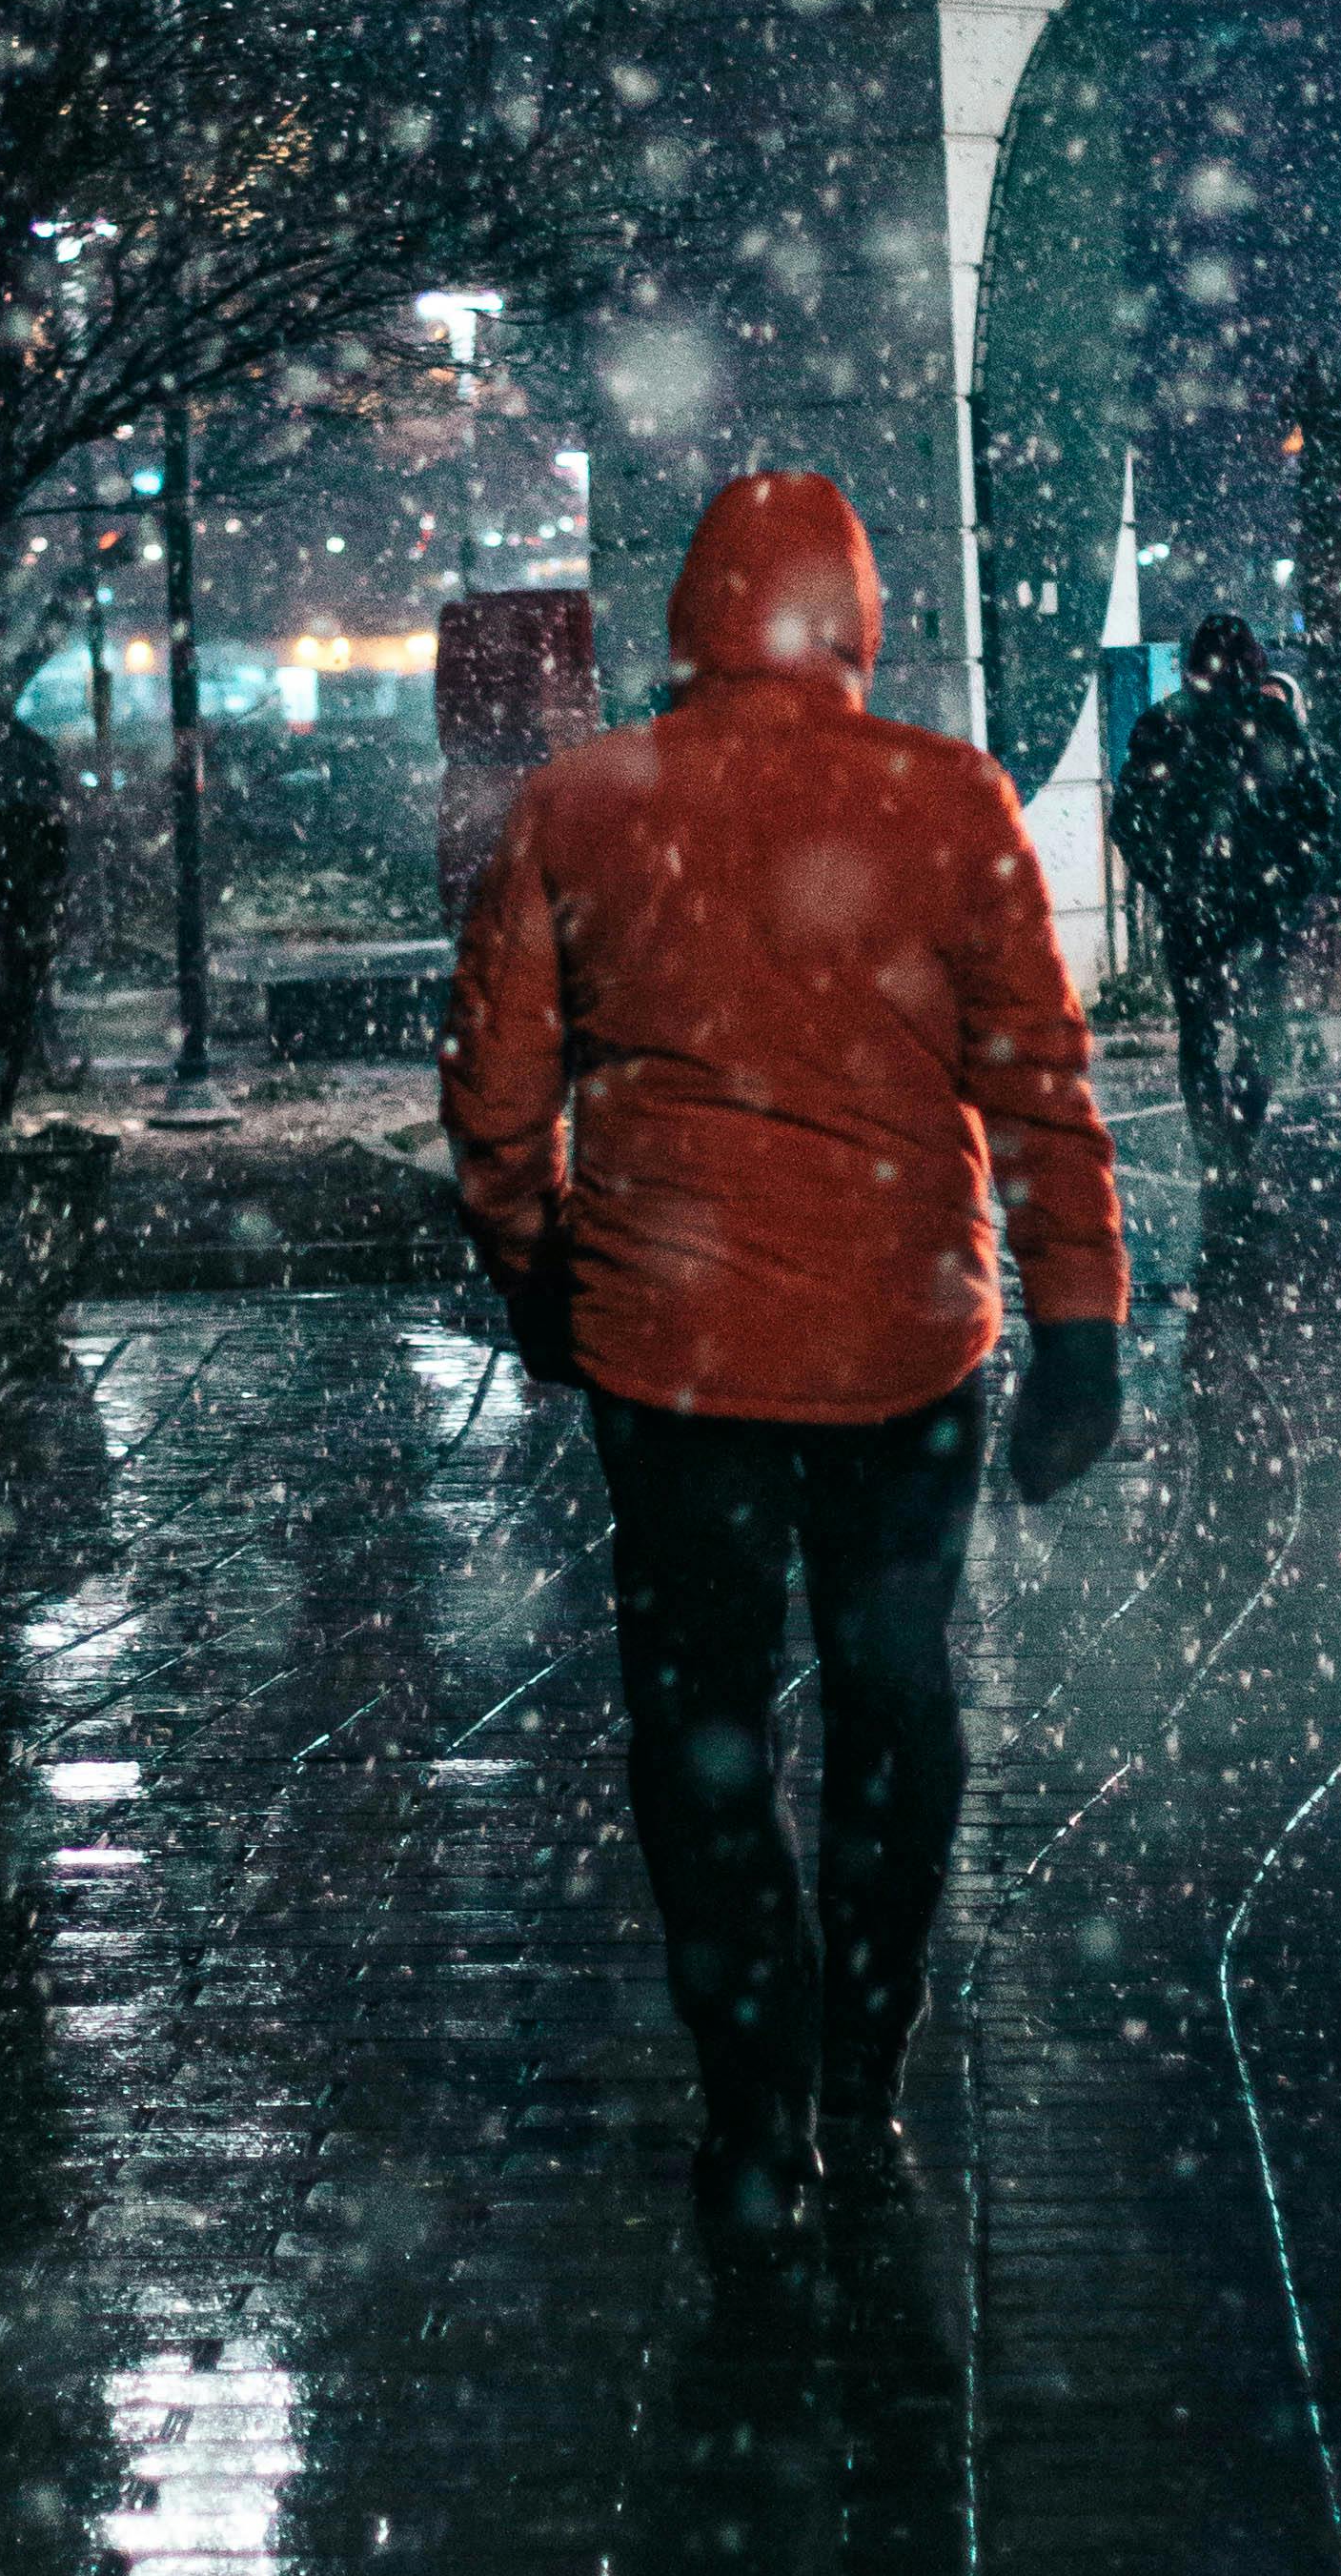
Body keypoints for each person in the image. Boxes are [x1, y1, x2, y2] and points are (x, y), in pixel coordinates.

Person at [440, 470, 1128, 2258]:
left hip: (672, 1355)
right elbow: (1043, 1085)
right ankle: (866, 2057)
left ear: (689, 613)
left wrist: (537, 1270)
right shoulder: (946, 803)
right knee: (897, 1695)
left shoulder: (580, 806)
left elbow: (496, 1090)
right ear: (856, 611)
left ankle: (753, 2092)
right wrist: (1079, 1323)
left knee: (701, 1724)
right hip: (906, 1342)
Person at [1107, 611, 1335, 1172]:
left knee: (1202, 1033)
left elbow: (1129, 818)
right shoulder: (1271, 723)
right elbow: (1319, 816)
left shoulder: (1164, 724)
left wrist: (1165, 879)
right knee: (1262, 1035)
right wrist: (1293, 883)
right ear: (1253, 662)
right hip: (1257, 907)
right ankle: (1234, 1144)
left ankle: (1217, 1151)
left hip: (1197, 903)